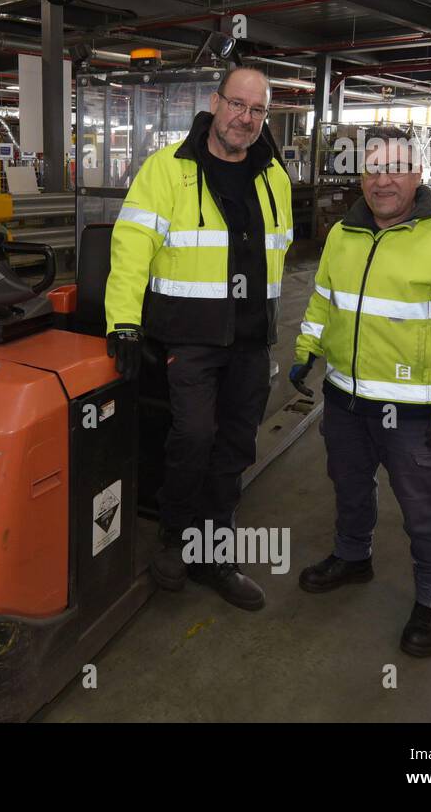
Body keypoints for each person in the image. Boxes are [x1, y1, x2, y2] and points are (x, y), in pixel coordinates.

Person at [290, 127, 431, 656]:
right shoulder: (341, 235)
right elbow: (322, 301)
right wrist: (306, 350)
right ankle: (353, 555)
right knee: (349, 484)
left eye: (395, 168)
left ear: (417, 174)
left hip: (414, 411)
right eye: (373, 168)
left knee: (421, 506)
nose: (383, 180)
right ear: (362, 175)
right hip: (345, 400)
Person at [104, 66, 292, 610]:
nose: (245, 118)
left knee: (234, 447)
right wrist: (123, 322)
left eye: (257, 110)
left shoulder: (272, 176)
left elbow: (277, 255)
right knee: (193, 439)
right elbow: (131, 247)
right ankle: (173, 536)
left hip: (252, 341)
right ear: (215, 103)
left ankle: (215, 553)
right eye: (237, 104)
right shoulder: (168, 170)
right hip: (189, 338)